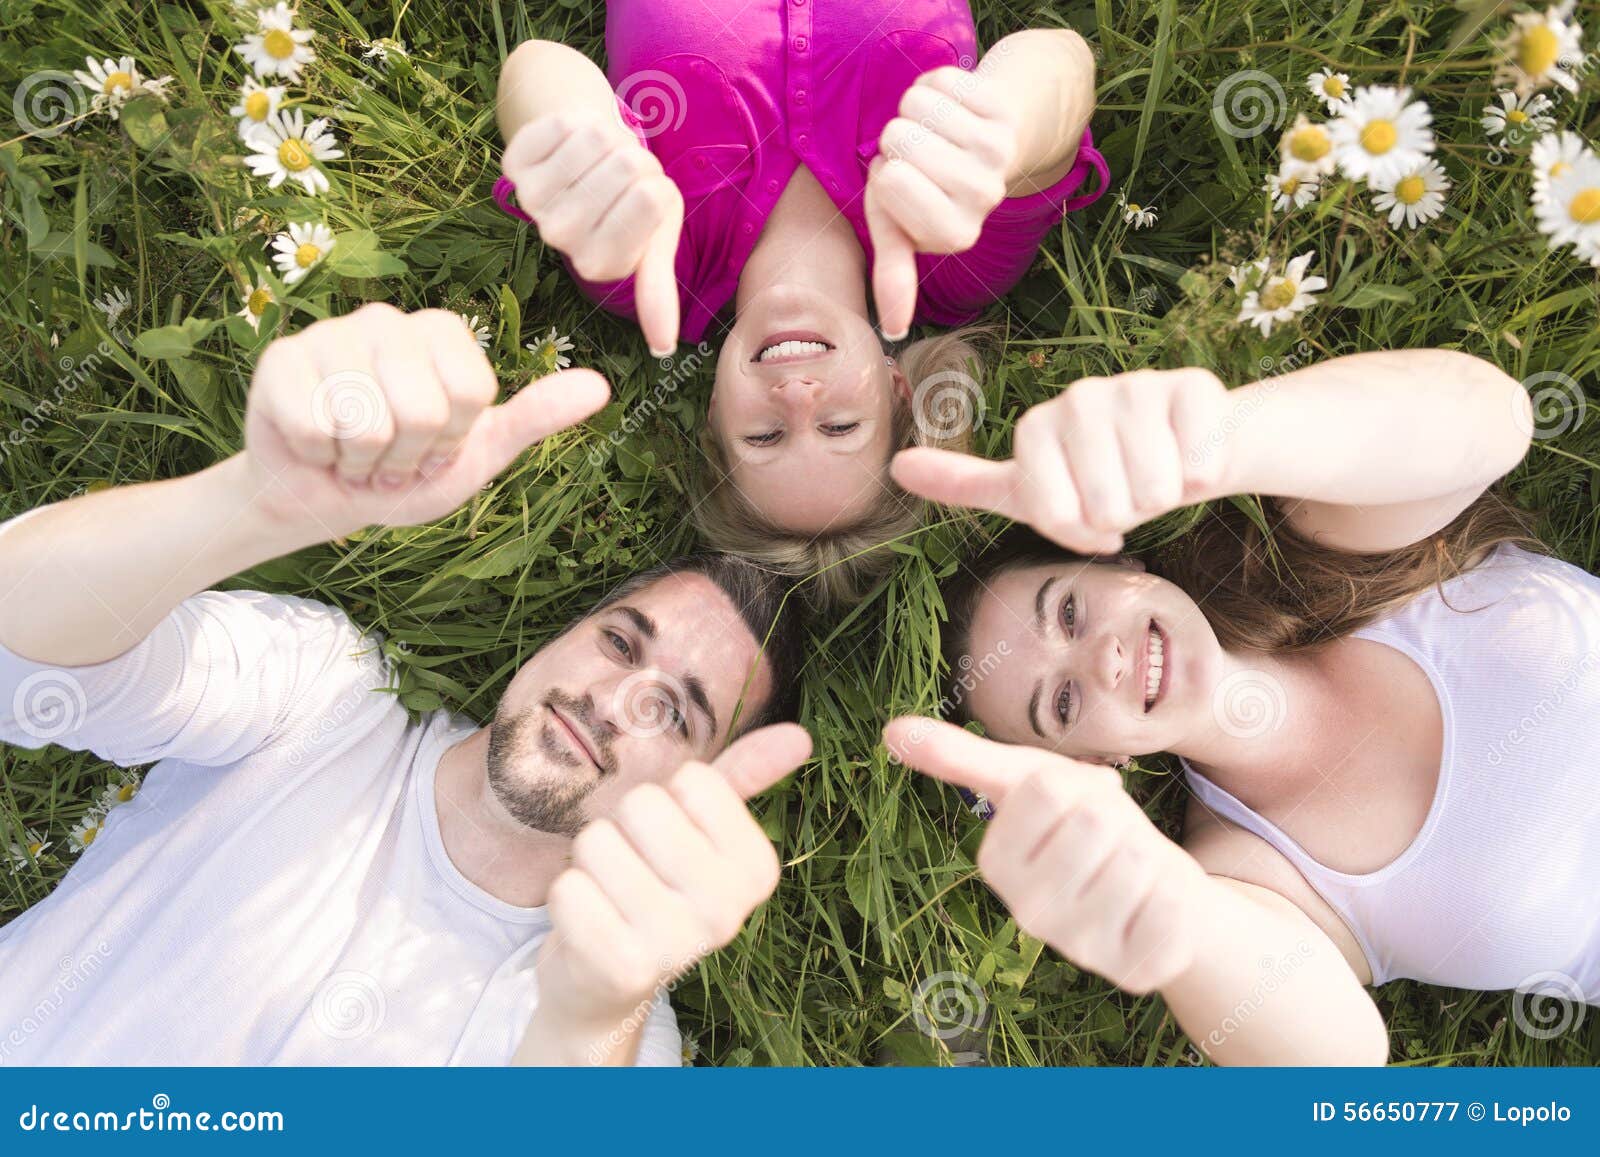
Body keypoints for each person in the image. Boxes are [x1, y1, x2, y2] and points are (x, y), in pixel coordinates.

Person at [0, 303, 808, 1066]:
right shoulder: (325, 692)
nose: (611, 700)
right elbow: (21, 654)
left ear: (698, 799)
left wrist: (590, 1019)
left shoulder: (614, 1017)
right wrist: (251, 503)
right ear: (556, 638)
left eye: (673, 714)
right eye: (620, 642)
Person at [882, 351, 1600, 1064]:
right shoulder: (1240, 874)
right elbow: (1340, 1060)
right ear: (1097, 760)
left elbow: (1494, 416)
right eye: (1063, 702)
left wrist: (1221, 439)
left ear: (1119, 562)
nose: (1103, 659)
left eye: (1069, 612)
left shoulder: (1321, 551)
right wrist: (1172, 909)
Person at [494, 1, 1107, 605]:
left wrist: (578, 144)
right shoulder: (952, 258)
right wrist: (1001, 131)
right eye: (840, 426)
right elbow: (1064, 60)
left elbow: (535, 64)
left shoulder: (646, 267)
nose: (795, 396)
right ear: (896, 388)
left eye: (763, 436)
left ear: (714, 411)